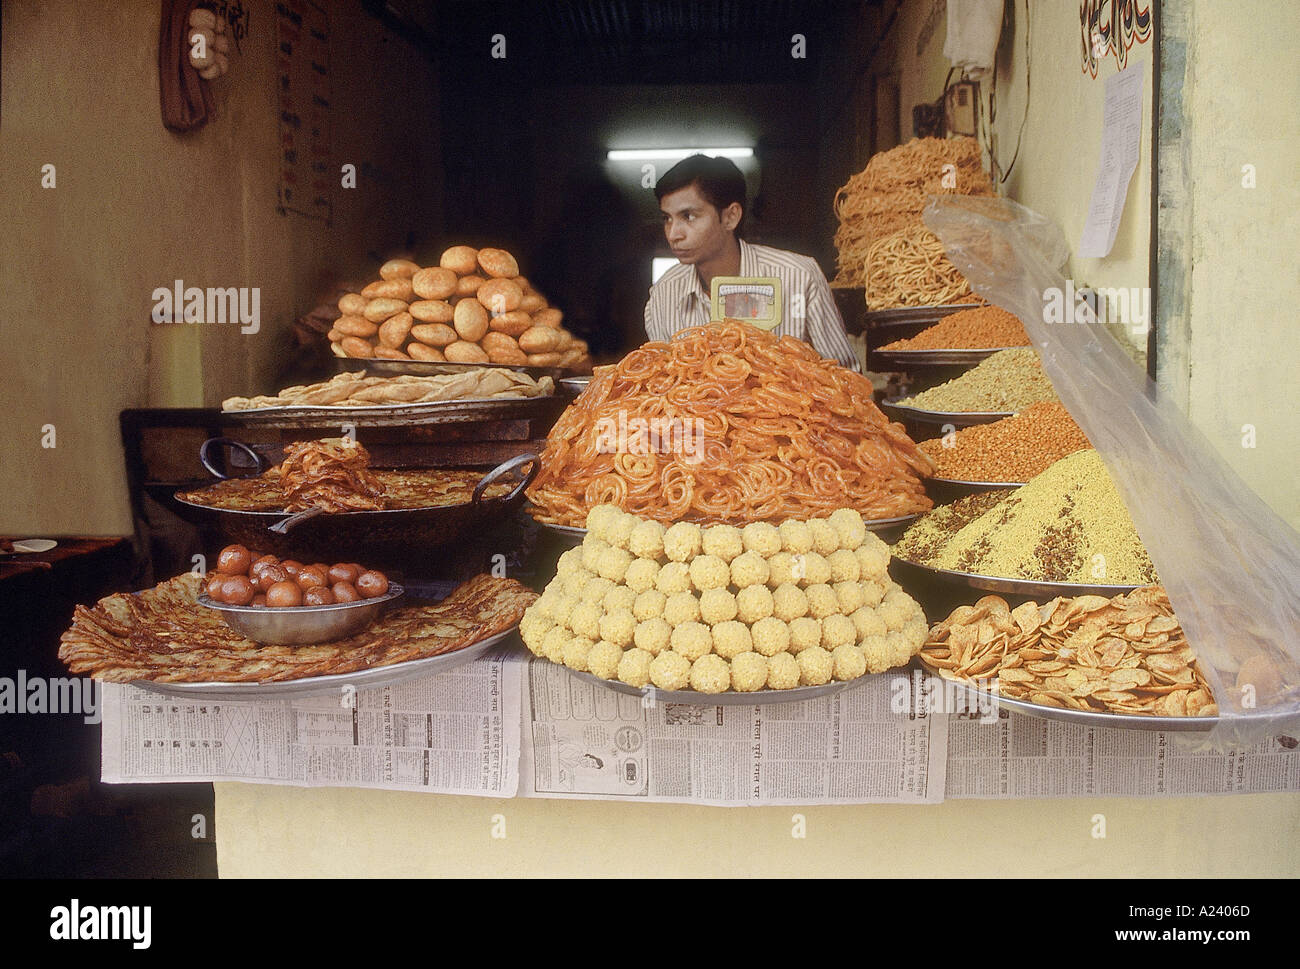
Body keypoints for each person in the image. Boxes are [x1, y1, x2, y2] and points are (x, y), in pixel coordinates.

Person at [643, 154, 861, 371]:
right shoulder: (664, 294)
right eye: (667, 218)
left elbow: (846, 377)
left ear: (730, 217)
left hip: (786, 406)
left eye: (688, 216)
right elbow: (663, 384)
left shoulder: (799, 277)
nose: (673, 234)